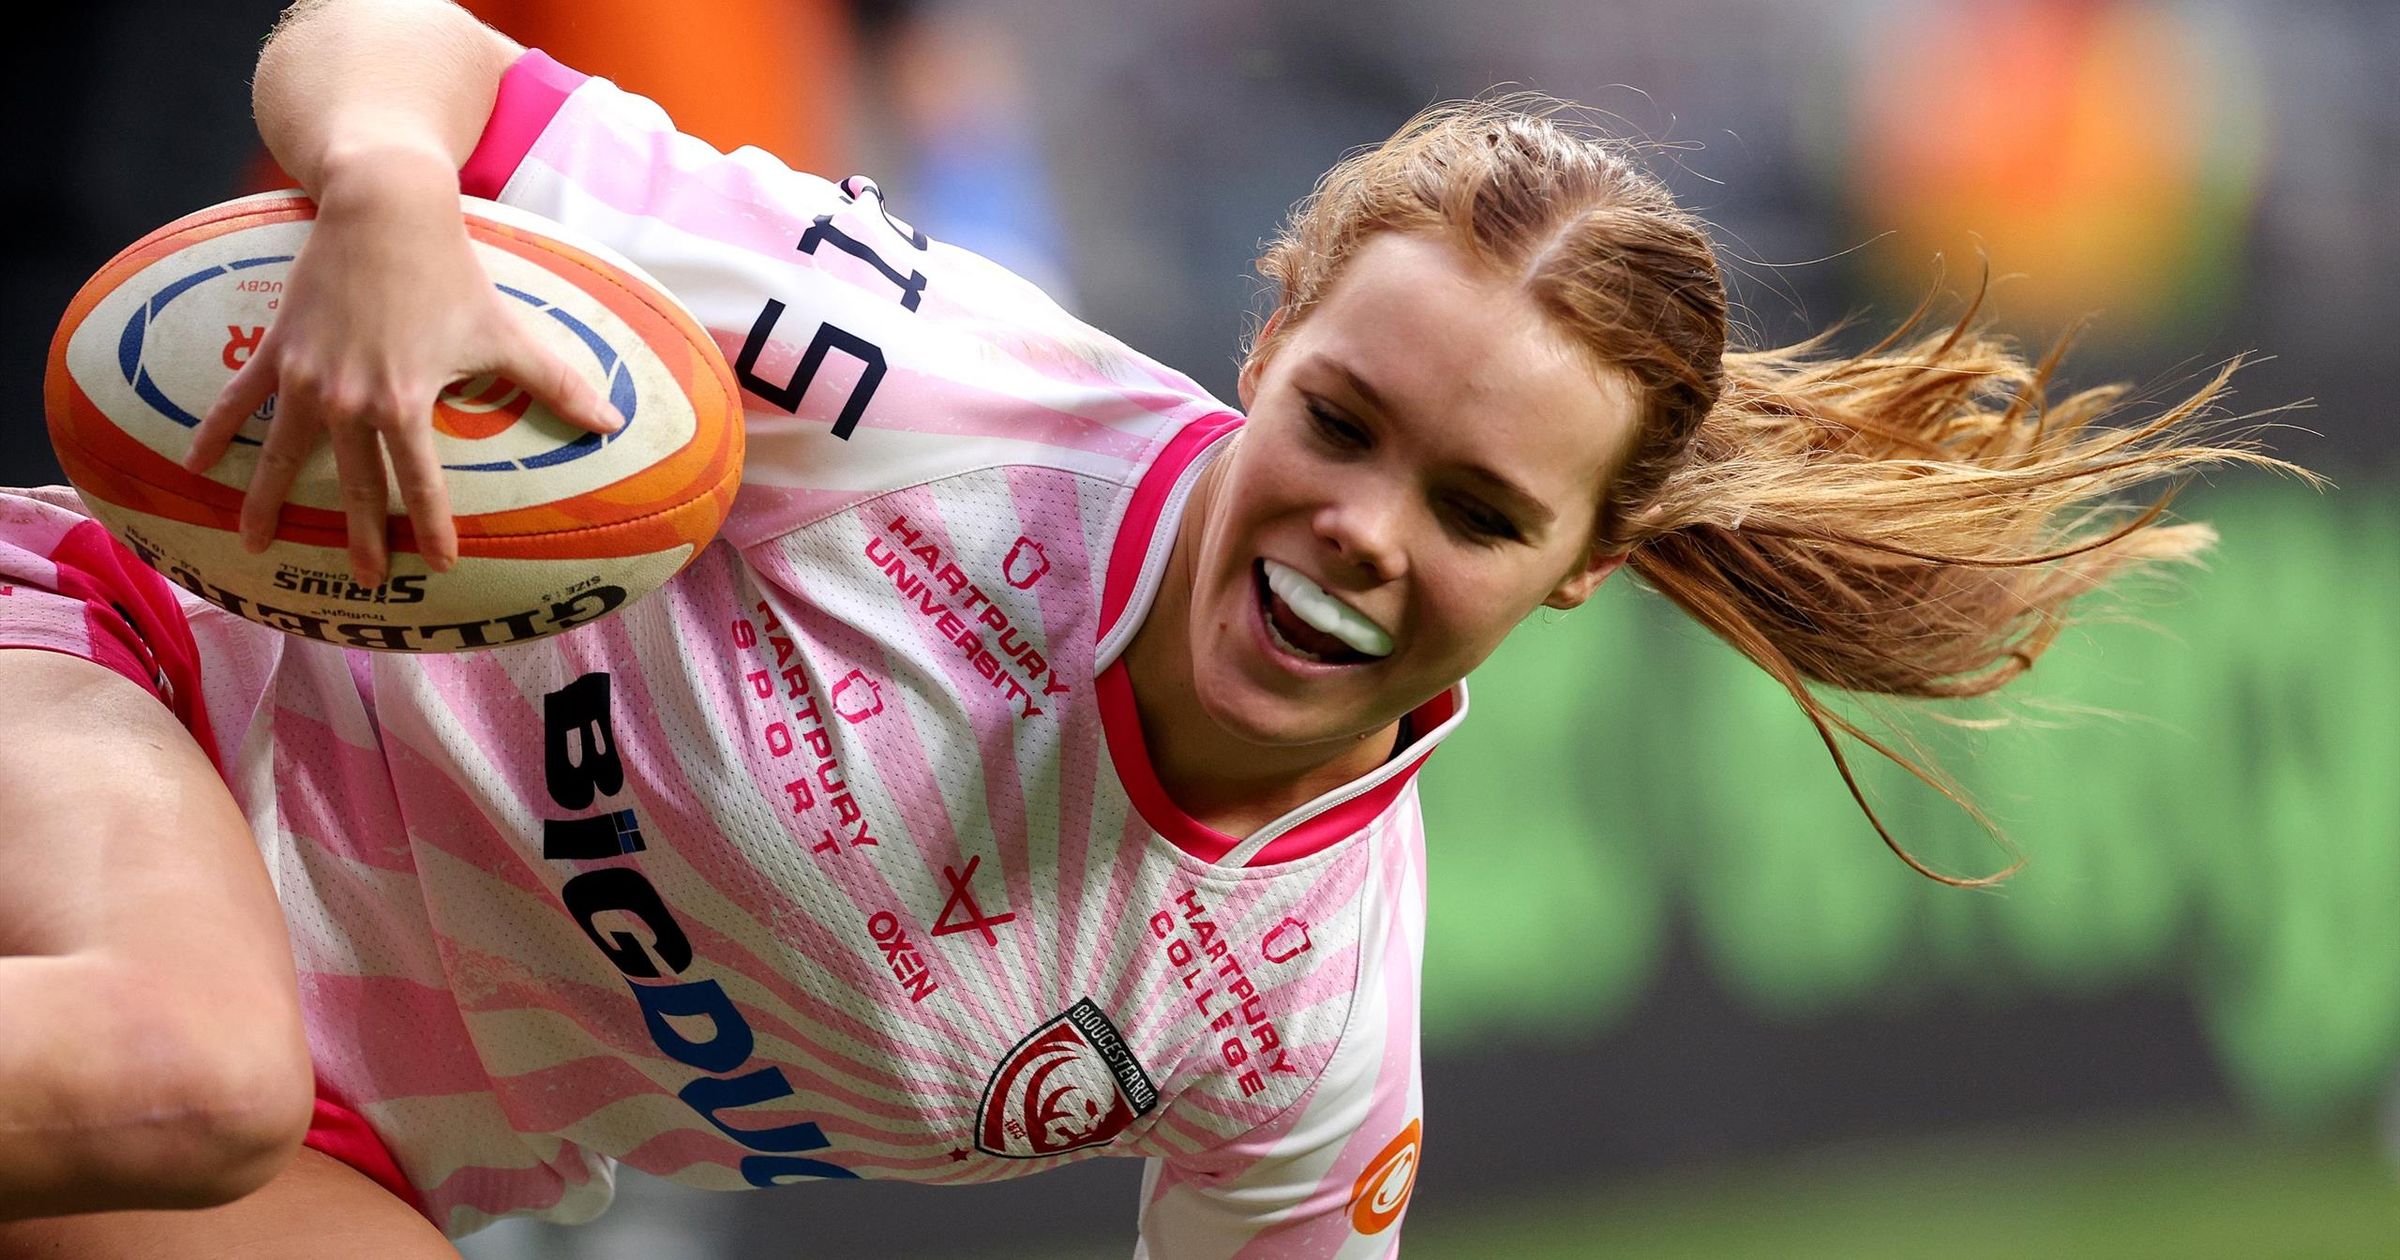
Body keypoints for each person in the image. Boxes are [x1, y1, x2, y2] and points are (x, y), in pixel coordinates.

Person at [0, 0, 2305, 1255]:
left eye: (1477, 510)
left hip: (362, 1149)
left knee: (208, 1096)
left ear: (1576, 573)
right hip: (127, 679)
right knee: (175, 1071)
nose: (1359, 532)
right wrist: (393, 195)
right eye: (1342, 424)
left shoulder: (1305, 1025)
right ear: (1265, 341)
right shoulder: (934, 387)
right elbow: (375, 39)